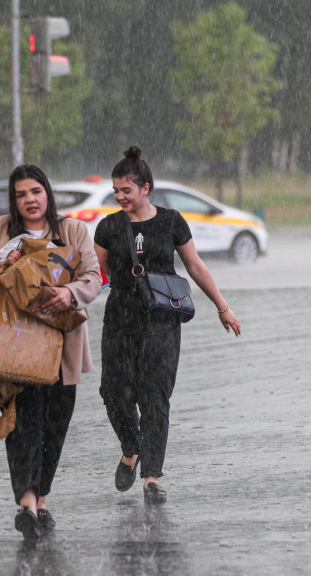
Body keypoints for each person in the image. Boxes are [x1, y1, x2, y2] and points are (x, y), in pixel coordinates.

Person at [94, 146, 241, 504]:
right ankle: (131, 449)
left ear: (146, 188)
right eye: (116, 191)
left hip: (161, 318)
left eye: (126, 190)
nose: (120, 197)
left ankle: (151, 477)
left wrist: (222, 307)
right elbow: (98, 273)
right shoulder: (109, 227)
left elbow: (195, 266)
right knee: (113, 392)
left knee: (155, 396)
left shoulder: (172, 221)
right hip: (120, 318)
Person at [0, 164, 102, 539]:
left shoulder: (73, 230)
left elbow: (93, 278)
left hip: (63, 344)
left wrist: (69, 293)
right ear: (13, 201)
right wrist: (4, 265)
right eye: (20, 195)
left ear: (47, 193)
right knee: (23, 425)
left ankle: (42, 499)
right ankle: (27, 503)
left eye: (35, 191)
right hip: (15, 345)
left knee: (55, 425)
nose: (29, 200)